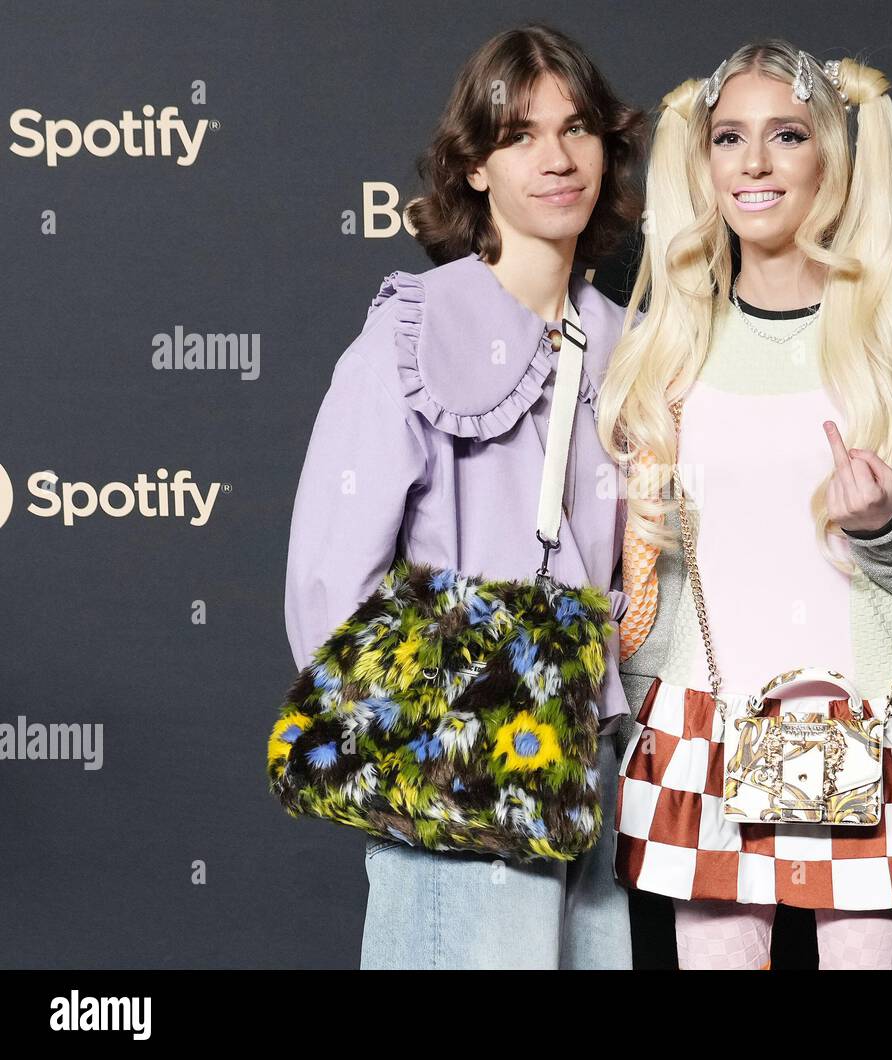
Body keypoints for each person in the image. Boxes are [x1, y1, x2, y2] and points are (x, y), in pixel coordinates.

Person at [595, 38, 892, 970]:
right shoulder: (666, 346)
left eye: (785, 135)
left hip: (860, 711)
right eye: (729, 137)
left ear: (830, 153)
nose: (753, 161)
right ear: (702, 163)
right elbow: (639, 576)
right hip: (702, 723)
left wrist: (885, 532)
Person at [283, 23, 646, 969]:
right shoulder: (414, 330)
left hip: (590, 763)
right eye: (519, 135)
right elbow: (331, 577)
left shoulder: (632, 343)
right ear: (475, 168)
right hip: (459, 753)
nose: (557, 159)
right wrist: (419, 740)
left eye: (577, 129)